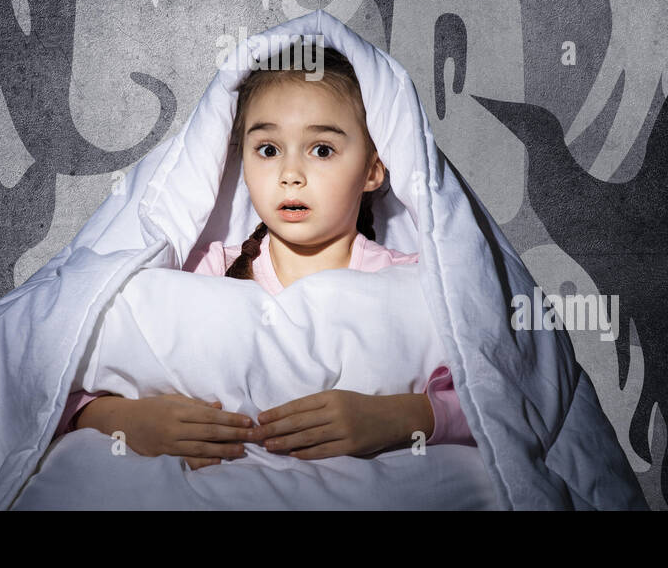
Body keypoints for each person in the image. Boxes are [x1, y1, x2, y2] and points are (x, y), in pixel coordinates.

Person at [54, 45, 476, 471]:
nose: (290, 174)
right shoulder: (201, 274)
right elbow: (55, 367)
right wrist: (121, 418)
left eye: (322, 149)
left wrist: (402, 417)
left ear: (372, 170)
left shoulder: (415, 286)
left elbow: (506, 400)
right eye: (269, 149)